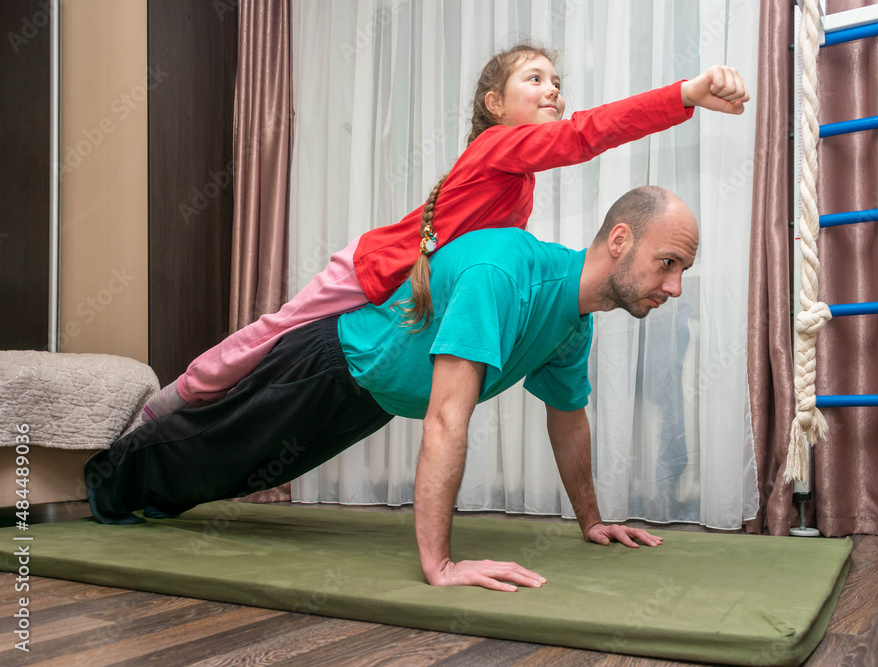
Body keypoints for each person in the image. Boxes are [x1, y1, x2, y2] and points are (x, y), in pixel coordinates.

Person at [87, 185, 699, 592]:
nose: (672, 288)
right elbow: (445, 420)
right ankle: (86, 488)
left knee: (231, 475)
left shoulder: (572, 323)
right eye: (667, 262)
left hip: (368, 401)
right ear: (620, 240)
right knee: (204, 448)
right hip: (328, 362)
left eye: (682, 272)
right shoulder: (504, 271)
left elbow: (568, 419)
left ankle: (137, 499)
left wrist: (591, 521)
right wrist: (440, 565)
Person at [140, 41, 748, 421]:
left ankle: (201, 405)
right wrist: (684, 95)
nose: (552, 89)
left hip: (398, 291)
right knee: (273, 335)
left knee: (285, 360)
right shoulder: (499, 148)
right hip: (368, 269)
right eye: (533, 79)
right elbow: (584, 135)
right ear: (493, 104)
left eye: (555, 82)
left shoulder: (517, 179)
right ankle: (178, 395)